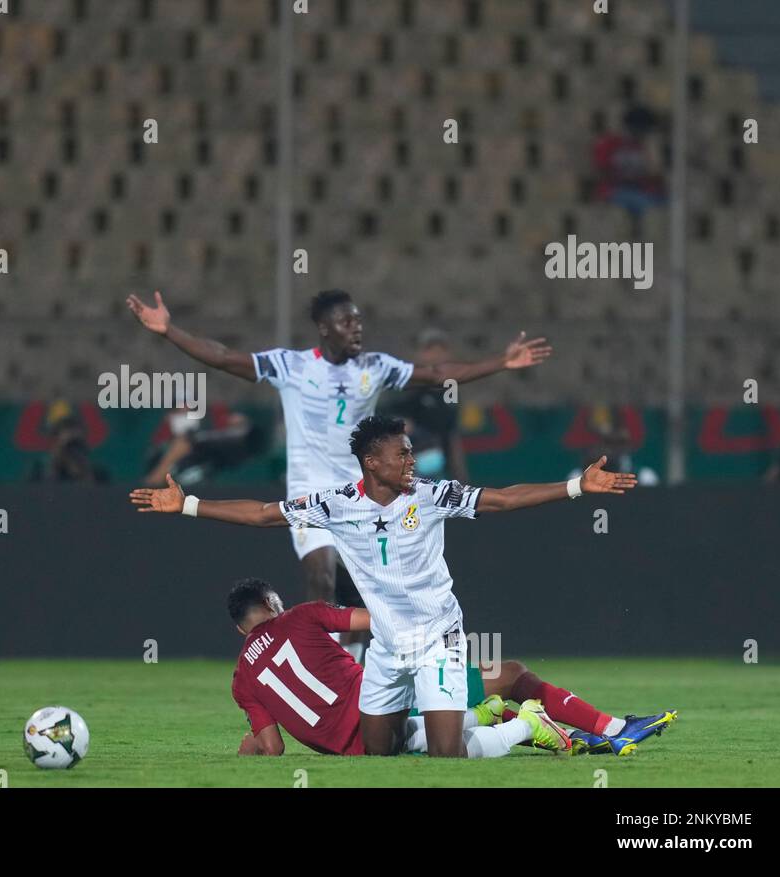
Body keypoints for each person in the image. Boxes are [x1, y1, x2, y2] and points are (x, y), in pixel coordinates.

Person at [131, 415, 670, 757]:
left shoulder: (430, 495)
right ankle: (513, 712)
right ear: (372, 462)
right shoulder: (335, 504)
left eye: (412, 452)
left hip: (437, 637)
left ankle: (531, 725)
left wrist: (577, 485)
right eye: (403, 454)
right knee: (379, 753)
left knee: (444, 756)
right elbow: (264, 514)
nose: (413, 460)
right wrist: (190, 505)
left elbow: (502, 499)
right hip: (387, 649)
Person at [127, 288, 551, 662]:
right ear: (323, 328)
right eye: (346, 321)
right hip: (311, 492)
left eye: (358, 320)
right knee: (321, 571)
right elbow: (222, 357)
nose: (356, 327)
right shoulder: (290, 365)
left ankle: (353, 668)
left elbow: (437, 376)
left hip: (362, 493)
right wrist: (169, 330)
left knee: (362, 593)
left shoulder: (376, 366)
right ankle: (322, 665)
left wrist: (501, 362)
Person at [225, 580, 675, 758]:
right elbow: (373, 620)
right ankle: (613, 726)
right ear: (271, 605)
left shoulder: (242, 680)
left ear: (241, 629)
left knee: (443, 739)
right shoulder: (300, 616)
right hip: (384, 700)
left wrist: (245, 748)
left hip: (357, 748)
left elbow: (271, 749)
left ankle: (506, 719)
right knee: (512, 672)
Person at [381, 328, 467, 482]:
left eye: (441, 350)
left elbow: (452, 431)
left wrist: (460, 473)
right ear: (420, 354)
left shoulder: (451, 387)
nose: (436, 355)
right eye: (430, 350)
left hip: (440, 466)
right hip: (411, 463)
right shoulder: (408, 383)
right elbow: (387, 417)